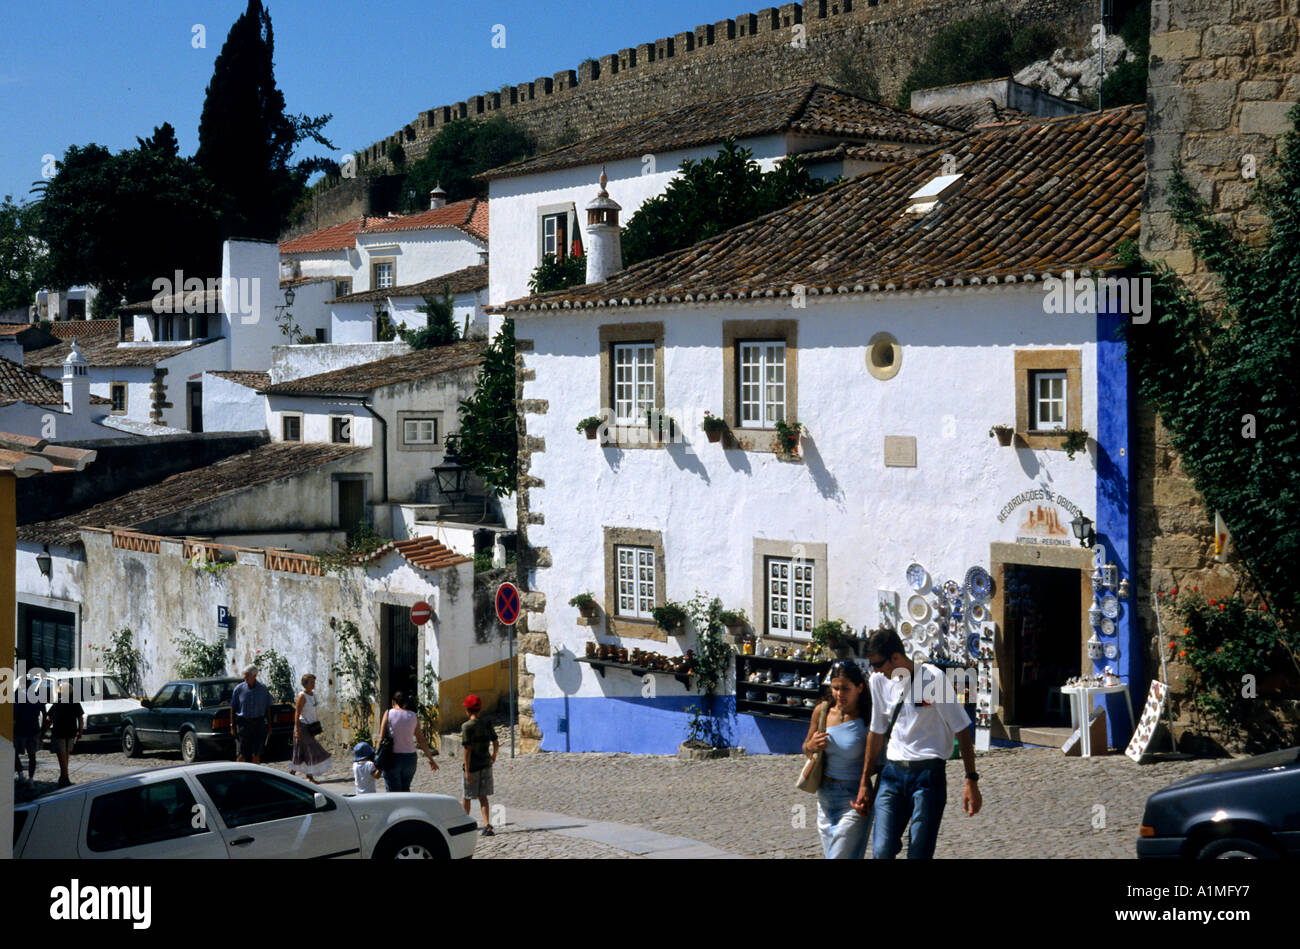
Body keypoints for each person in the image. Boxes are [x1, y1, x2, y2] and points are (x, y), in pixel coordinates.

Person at [853, 628, 983, 859]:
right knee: (882, 851)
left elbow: (961, 728)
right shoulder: (878, 681)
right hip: (892, 775)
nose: (875, 671)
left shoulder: (932, 678)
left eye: (878, 664)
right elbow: (876, 731)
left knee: (919, 853)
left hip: (928, 776)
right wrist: (865, 781)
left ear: (896, 657)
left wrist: (970, 779)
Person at [802, 660, 872, 858]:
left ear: (859, 688)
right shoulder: (822, 711)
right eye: (835, 688)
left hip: (853, 798)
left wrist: (867, 790)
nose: (839, 694)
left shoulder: (868, 718)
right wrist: (811, 746)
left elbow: (878, 761)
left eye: (845, 689)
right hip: (824, 796)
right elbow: (806, 747)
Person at [376, 692, 437, 792]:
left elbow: (381, 737)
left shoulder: (388, 713)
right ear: (406, 703)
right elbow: (421, 740)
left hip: (392, 758)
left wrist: (377, 758)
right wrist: (431, 759)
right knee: (405, 790)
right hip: (410, 759)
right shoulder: (413, 716)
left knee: (393, 793)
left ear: (393, 702)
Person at [460, 695, 499, 836]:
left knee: (467, 796)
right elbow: (495, 742)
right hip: (486, 764)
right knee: (483, 797)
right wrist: (493, 755)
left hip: (473, 766)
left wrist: (467, 770)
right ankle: (486, 824)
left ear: (467, 710)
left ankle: (464, 823)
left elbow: (467, 749)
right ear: (479, 709)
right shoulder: (487, 724)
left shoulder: (466, 727)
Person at [289, 673, 332, 783]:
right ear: (305, 684)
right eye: (311, 682)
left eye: (314, 682)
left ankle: (299, 775)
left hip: (310, 727)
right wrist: (297, 730)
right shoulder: (302, 696)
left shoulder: (313, 695)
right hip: (302, 727)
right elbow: (297, 713)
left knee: (303, 751)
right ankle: (306, 776)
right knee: (309, 750)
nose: (313, 684)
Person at [42, 680, 83, 788]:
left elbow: (49, 720)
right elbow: (80, 718)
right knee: (66, 755)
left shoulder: (57, 704)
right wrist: (80, 731)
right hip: (71, 732)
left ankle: (65, 778)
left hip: (59, 732)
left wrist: (43, 731)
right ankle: (63, 777)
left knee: (62, 756)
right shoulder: (75, 703)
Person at [230, 665, 274, 764]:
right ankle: (239, 776)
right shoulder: (239, 689)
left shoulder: (263, 689)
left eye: (247, 676)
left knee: (256, 753)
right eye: (244, 676)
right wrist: (232, 726)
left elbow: (268, 708)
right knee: (242, 754)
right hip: (243, 724)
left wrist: (270, 726)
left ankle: (255, 776)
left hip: (258, 724)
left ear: (254, 675)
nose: (244, 678)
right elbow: (232, 708)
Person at [14, 676, 44, 783]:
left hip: (20, 730)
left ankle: (21, 774)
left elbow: (14, 714)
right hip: (34, 729)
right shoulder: (37, 696)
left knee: (14, 753)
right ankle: (31, 779)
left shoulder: (18, 696)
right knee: (32, 756)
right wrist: (43, 730)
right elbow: (44, 712)